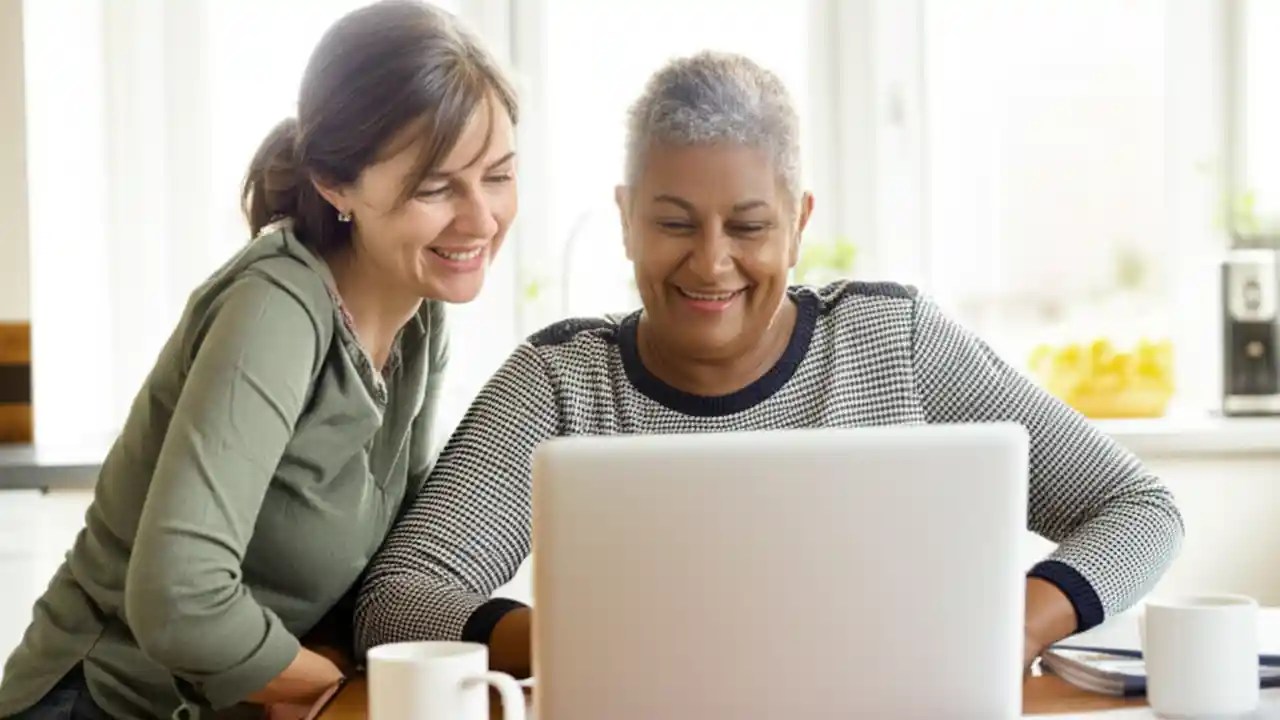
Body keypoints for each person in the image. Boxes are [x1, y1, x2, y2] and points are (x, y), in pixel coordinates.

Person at [353, 51, 1184, 677]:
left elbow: (1140, 509)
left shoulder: (897, 342)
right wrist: (583, 651)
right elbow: (398, 598)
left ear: (798, 222)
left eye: (748, 227)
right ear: (625, 218)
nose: (711, 264)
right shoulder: (561, 381)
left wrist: (1017, 624)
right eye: (674, 223)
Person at [0, 2, 518, 718]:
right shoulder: (276, 309)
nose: (483, 220)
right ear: (337, 184)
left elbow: (386, 558)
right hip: (101, 703)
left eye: (498, 175)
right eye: (435, 187)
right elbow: (178, 596)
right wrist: (313, 680)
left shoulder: (420, 313)